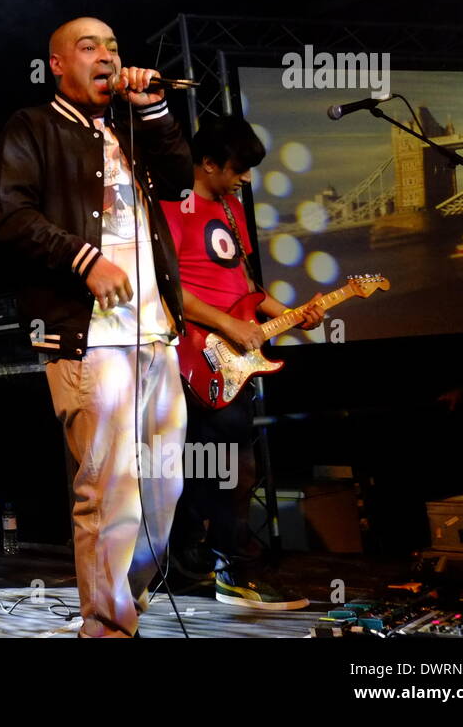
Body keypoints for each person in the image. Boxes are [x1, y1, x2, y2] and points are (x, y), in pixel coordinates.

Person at [0, 17, 192, 638]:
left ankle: (125, 602)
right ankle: (105, 626)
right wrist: (85, 259)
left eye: (113, 46)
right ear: (57, 63)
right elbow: (11, 215)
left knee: (163, 488)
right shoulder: (33, 126)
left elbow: (181, 181)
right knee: (110, 490)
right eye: (89, 47)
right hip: (89, 335)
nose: (106, 56)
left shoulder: (132, 126)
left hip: (153, 330)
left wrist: (152, 107)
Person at [160, 115, 323, 610]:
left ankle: (214, 572)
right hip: (198, 355)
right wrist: (228, 326)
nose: (246, 179)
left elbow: (245, 287)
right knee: (219, 467)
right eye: (238, 169)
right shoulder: (172, 205)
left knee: (227, 465)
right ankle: (219, 571)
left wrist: (293, 314)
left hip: (235, 359)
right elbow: (168, 290)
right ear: (208, 163)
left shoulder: (230, 208)